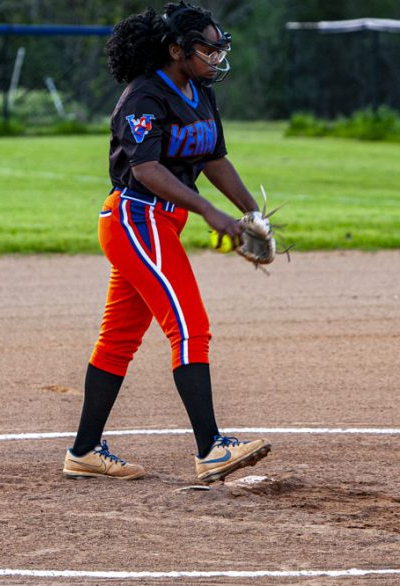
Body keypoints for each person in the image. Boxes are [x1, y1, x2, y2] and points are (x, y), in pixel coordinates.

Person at [62, 2, 270, 483]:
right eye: (207, 48)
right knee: (189, 324)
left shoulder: (197, 91)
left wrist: (248, 209)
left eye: (219, 47)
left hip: (161, 223)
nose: (216, 56)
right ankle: (211, 448)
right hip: (136, 219)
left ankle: (85, 450)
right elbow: (146, 169)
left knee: (119, 339)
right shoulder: (143, 97)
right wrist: (208, 211)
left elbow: (213, 158)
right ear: (176, 50)